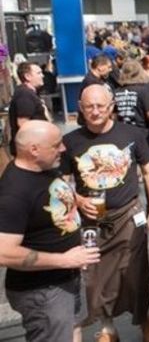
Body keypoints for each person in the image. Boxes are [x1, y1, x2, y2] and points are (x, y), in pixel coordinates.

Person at [63, 85, 149, 342]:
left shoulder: (133, 134)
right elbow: (61, 185)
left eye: (100, 106)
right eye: (88, 106)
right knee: (94, 277)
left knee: (135, 273)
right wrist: (77, 198)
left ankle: (145, 318)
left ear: (111, 107)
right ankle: (107, 328)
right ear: (81, 109)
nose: (95, 111)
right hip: (90, 221)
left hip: (128, 215)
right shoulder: (70, 142)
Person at [0, 121, 100, 342]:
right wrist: (63, 260)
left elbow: (53, 192)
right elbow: (3, 252)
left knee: (74, 329)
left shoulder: (43, 167)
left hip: (68, 277)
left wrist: (80, 201)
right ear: (33, 150)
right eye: (56, 145)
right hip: (43, 290)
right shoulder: (13, 193)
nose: (63, 149)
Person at [9, 62, 51, 156]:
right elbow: (23, 124)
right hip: (31, 151)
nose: (43, 75)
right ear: (27, 76)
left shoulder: (30, 93)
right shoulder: (24, 94)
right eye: (39, 73)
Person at [114, 60, 149, 129]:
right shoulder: (144, 90)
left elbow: (114, 117)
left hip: (121, 131)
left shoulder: (116, 92)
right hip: (140, 131)